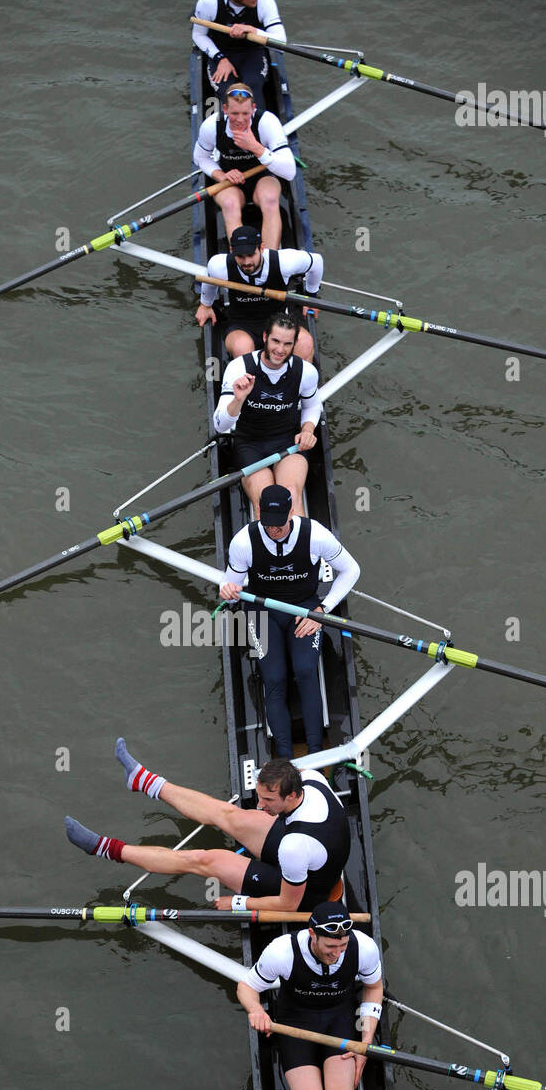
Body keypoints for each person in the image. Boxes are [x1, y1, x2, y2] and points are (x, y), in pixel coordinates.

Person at [64, 749, 349, 918]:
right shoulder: (311, 778)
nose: (261, 805)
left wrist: (238, 903)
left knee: (205, 859)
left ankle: (104, 848)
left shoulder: (294, 847)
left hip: (306, 893)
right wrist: (268, 811)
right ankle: (144, 781)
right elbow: (272, 815)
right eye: (260, 796)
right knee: (233, 815)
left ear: (292, 795)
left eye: (269, 801)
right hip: (310, 857)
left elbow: (288, 905)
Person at [238, 905, 383, 1090]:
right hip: (295, 1024)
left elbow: (374, 988)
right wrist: (256, 1010)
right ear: (311, 934)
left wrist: (364, 1044)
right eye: (330, 946)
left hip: (339, 1021)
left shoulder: (363, 948)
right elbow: (246, 987)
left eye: (342, 946)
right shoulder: (282, 952)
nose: (337, 953)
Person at [220, 483, 360, 758]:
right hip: (261, 610)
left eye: (280, 524)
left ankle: (316, 752)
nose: (274, 530)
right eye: (269, 524)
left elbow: (352, 570)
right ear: (259, 512)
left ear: (292, 512)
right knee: (274, 677)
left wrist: (322, 610)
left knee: (306, 672)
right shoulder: (243, 542)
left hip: (304, 609)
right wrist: (227, 591)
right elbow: (231, 594)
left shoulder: (316, 534)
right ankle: (284, 758)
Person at [213, 312, 320, 518]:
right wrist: (238, 399)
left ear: (294, 344)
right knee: (265, 504)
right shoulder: (239, 368)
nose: (280, 350)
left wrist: (307, 430)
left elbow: (312, 406)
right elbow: (220, 425)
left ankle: (303, 547)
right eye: (275, 341)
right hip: (250, 444)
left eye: (287, 344)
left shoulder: (305, 371)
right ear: (264, 337)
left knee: (291, 496)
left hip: (288, 443)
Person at [195, 224, 321, 362]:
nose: (247, 262)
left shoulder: (285, 261)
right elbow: (209, 279)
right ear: (231, 251)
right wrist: (205, 305)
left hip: (280, 320)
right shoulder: (219, 265)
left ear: (261, 248)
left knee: (305, 344)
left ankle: (297, 379)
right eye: (240, 257)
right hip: (241, 324)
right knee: (241, 347)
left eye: (251, 255)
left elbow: (317, 262)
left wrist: (311, 297)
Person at [192, 83, 295, 249]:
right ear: (225, 109)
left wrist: (255, 147)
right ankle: (240, 258)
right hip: (229, 181)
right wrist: (220, 175)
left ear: (253, 108)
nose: (240, 119)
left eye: (245, 113)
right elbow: (200, 158)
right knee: (230, 204)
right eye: (234, 113)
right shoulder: (212, 125)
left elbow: (289, 172)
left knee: (269, 200)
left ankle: (268, 260)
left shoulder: (267, 122)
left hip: (262, 177)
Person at [192, 0, 286, 114]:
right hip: (220, 54)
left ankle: (258, 125)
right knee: (227, 92)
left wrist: (254, 31)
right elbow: (198, 35)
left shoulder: (265, 1)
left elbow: (281, 41)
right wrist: (220, 59)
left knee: (252, 88)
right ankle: (226, 128)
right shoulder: (208, 3)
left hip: (252, 53)